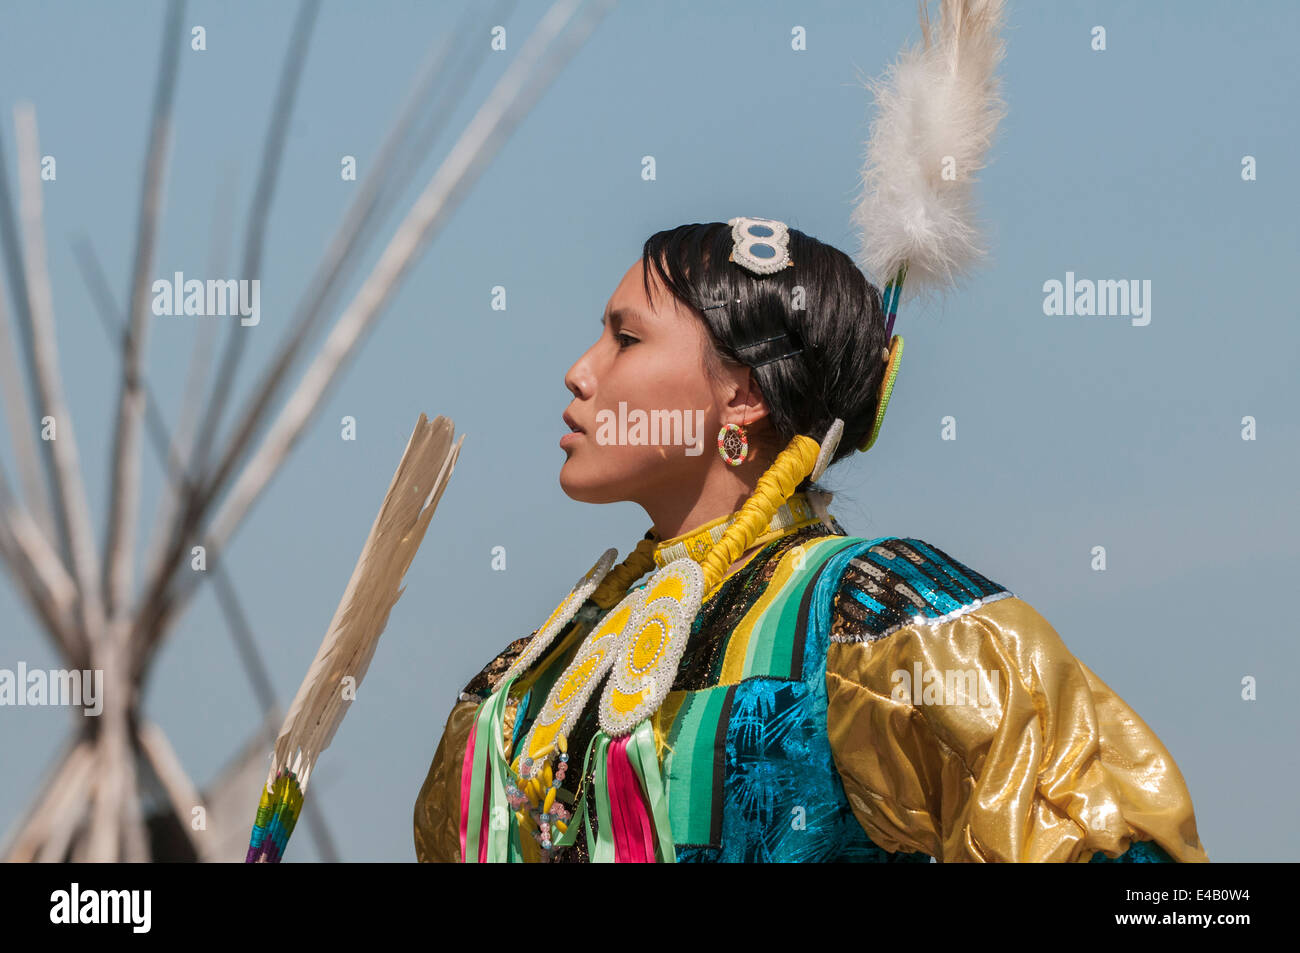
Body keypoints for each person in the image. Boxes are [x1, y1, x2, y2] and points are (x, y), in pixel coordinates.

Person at [412, 220, 1208, 863]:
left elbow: (1118, 854)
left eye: (626, 338)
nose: (580, 372)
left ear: (742, 394)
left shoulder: (875, 613)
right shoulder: (529, 678)